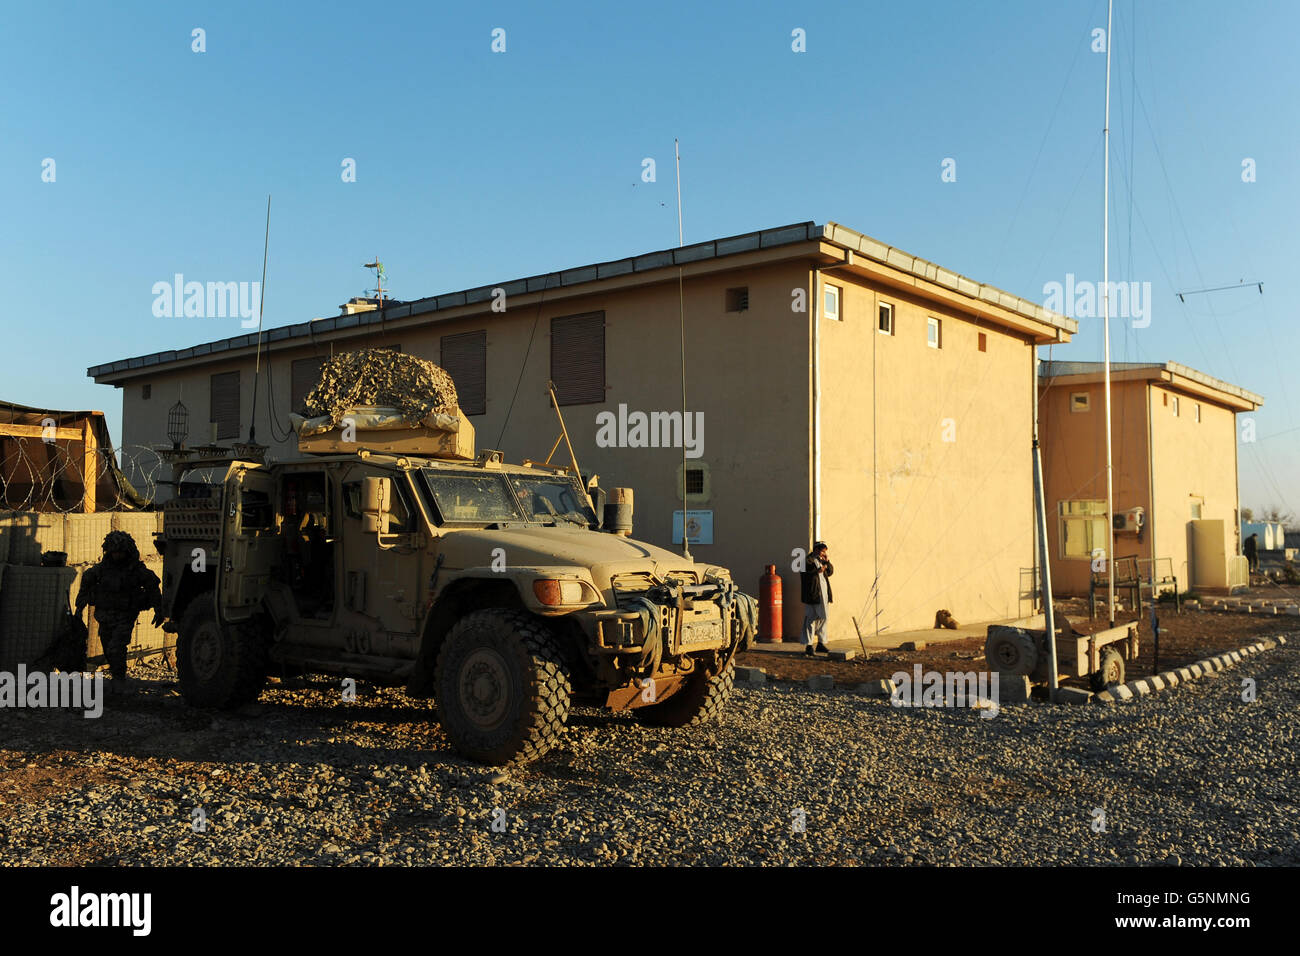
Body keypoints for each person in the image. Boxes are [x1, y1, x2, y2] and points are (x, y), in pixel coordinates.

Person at [74, 531, 162, 690]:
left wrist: (159, 609)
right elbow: (87, 580)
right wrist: (79, 608)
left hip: (125, 615)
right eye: (113, 552)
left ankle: (119, 680)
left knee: (116, 647)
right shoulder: (103, 568)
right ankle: (117, 678)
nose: (116, 556)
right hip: (105, 616)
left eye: (120, 552)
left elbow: (152, 584)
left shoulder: (135, 569)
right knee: (109, 648)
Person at [799, 541, 834, 656]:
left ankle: (821, 643)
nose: (822, 552)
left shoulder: (822, 560)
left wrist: (827, 562)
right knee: (810, 619)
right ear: (815, 550)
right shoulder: (807, 560)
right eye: (820, 550)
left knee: (823, 618)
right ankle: (809, 645)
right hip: (812, 595)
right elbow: (804, 575)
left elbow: (830, 572)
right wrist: (816, 572)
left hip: (823, 595)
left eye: (824, 550)